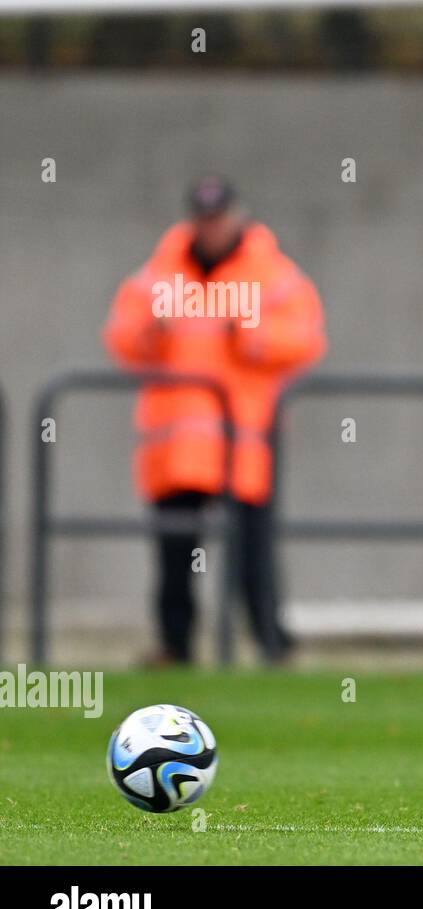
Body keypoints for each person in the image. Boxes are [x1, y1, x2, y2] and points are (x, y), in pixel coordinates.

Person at [103, 175, 327, 666]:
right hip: (176, 445)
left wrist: (248, 334)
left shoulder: (272, 274)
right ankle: (175, 645)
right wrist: (150, 334)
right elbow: (120, 336)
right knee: (174, 553)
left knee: (253, 552)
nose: (211, 228)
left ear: (236, 216)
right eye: (203, 219)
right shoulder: (159, 275)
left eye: (219, 217)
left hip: (241, 440)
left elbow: (306, 338)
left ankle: (271, 643)